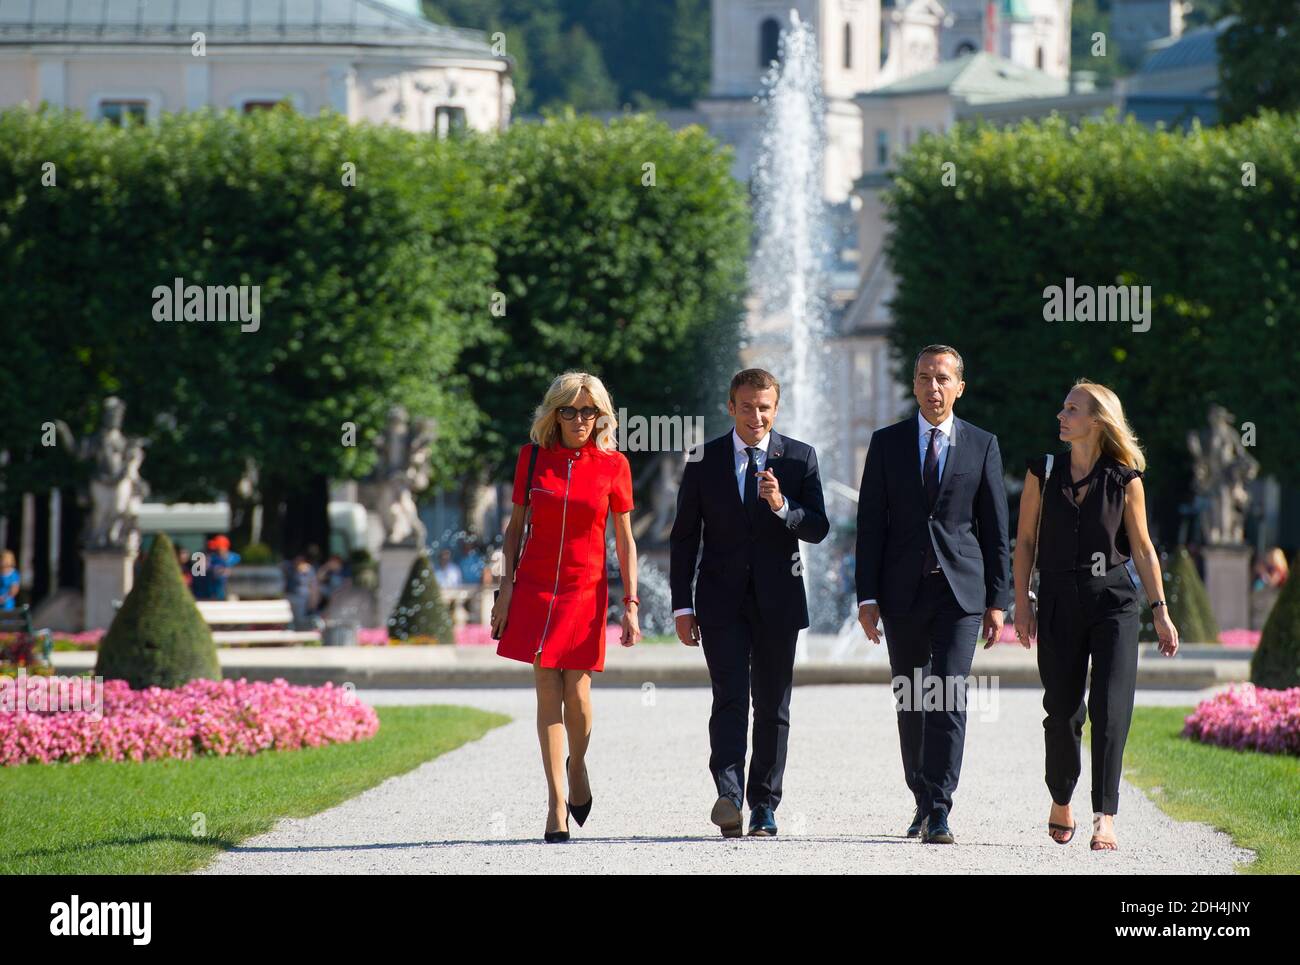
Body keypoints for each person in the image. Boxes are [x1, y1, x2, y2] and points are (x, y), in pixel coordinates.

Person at [855, 344, 1010, 845]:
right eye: (925, 377)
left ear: (959, 386)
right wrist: (867, 597)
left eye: (943, 378)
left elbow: (994, 527)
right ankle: (920, 797)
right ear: (915, 384)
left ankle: (940, 808)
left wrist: (997, 601)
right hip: (900, 593)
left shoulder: (982, 444)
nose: (933, 387)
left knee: (946, 693)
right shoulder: (886, 443)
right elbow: (869, 526)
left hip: (960, 593)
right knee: (912, 698)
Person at [1015, 379, 1179, 851]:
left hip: (1114, 604)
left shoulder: (1125, 478)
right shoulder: (1042, 472)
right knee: (1061, 711)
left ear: (1097, 421)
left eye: (1072, 409)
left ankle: (1105, 815)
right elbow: (1025, 542)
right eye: (1063, 407)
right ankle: (1061, 796)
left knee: (1112, 710)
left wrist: (1161, 611)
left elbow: (1144, 549)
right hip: (1059, 601)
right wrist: (1022, 602)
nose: (1061, 416)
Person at [670, 368, 830, 838]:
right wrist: (682, 606)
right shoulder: (704, 458)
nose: (756, 415)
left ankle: (764, 804)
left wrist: (783, 507)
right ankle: (728, 794)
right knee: (729, 698)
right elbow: (683, 537)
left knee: (773, 706)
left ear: (776, 408)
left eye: (764, 407)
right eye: (747, 407)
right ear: (731, 407)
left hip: (779, 601)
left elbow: (818, 527)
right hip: (719, 603)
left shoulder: (800, 458)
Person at [490, 371, 641, 843]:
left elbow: (625, 539)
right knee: (545, 689)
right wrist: (506, 589)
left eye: (588, 411)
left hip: (584, 589)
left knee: (577, 693)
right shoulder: (532, 459)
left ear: (601, 416)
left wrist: (630, 604)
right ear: (554, 414)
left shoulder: (613, 465)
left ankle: (578, 767)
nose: (579, 419)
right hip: (534, 588)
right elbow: (515, 528)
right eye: (569, 411)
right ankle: (555, 802)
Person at [206, 535, 241, 602]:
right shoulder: (214, 558)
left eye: (217, 548)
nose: (215, 550)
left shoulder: (235, 558)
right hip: (216, 591)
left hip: (231, 589)